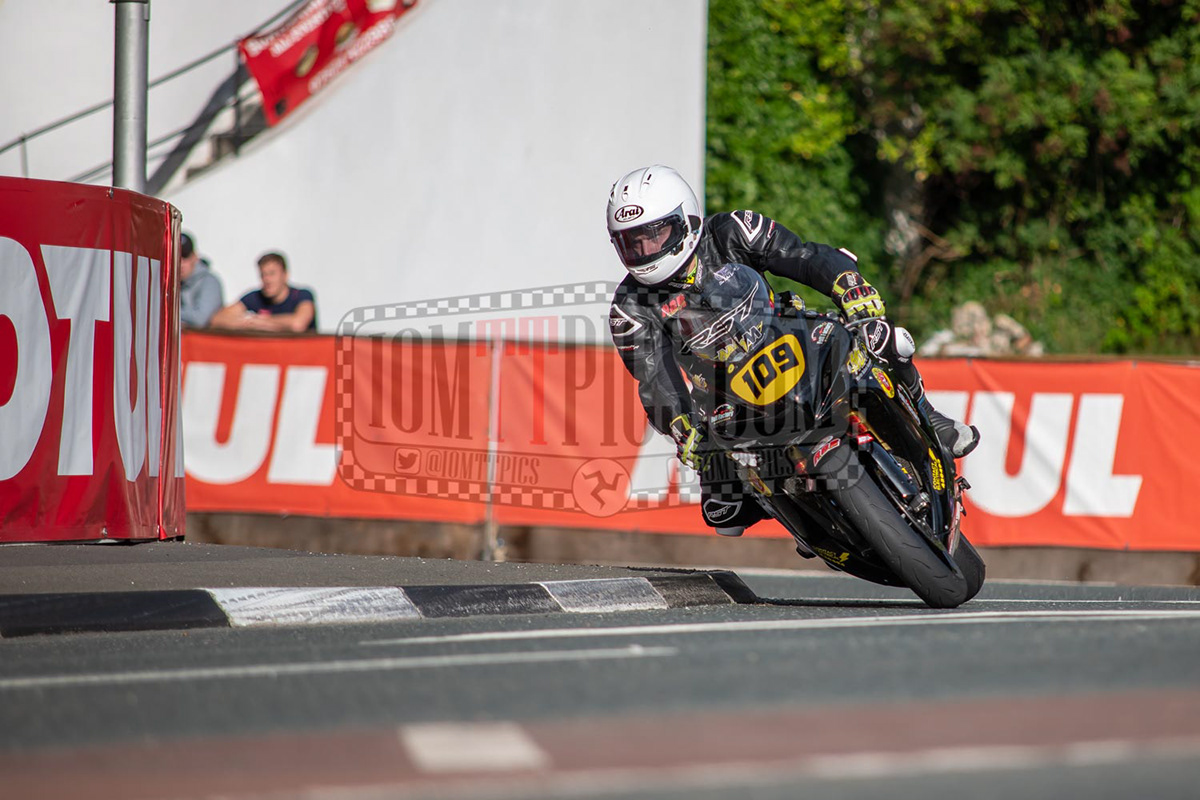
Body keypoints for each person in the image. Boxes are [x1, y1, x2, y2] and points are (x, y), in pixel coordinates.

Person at [606, 164, 980, 536]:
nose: (644, 250)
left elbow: (803, 255)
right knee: (724, 515)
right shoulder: (629, 307)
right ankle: (801, 514)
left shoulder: (732, 230)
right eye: (631, 242)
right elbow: (654, 377)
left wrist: (850, 288)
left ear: (685, 219)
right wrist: (681, 426)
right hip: (724, 396)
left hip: (794, 337)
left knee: (885, 339)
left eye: (654, 236)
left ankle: (929, 416)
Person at [210, 251, 317, 333]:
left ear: (285, 275)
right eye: (263, 274)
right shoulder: (255, 297)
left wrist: (261, 321)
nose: (267, 279)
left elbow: (298, 324)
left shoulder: (302, 295)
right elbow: (218, 320)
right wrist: (249, 323)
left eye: (272, 274)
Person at [178, 232, 225, 329]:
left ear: (195, 257)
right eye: (176, 257)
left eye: (185, 257)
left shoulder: (210, 282)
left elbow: (200, 319)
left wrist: (166, 311)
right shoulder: (167, 281)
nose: (181, 263)